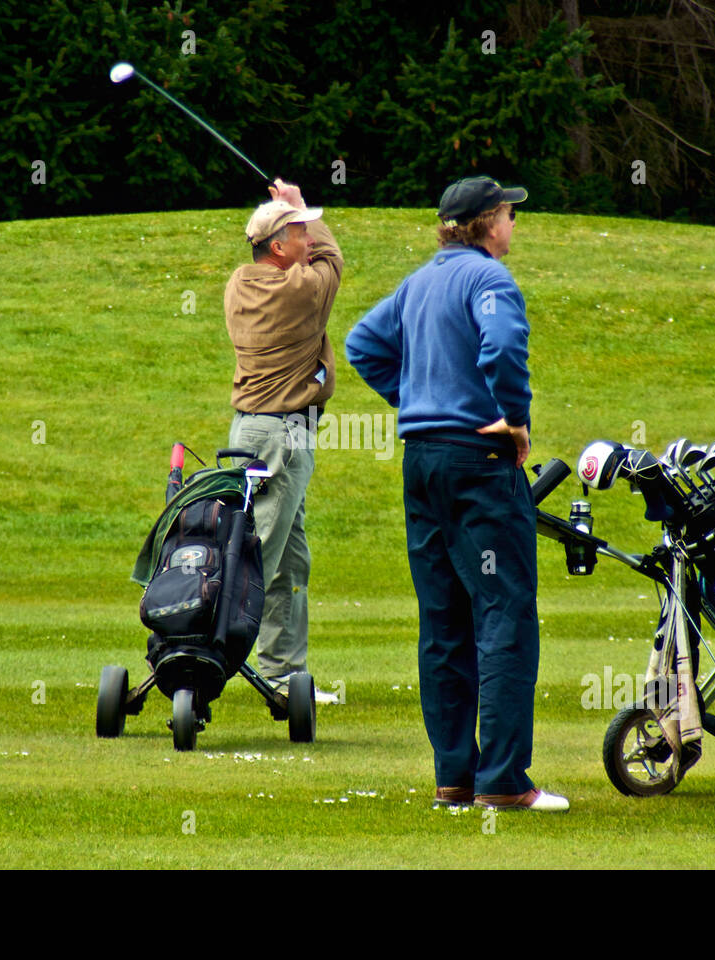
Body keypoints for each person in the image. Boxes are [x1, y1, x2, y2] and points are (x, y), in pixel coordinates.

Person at [345, 175, 566, 811]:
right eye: (509, 214)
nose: (514, 223)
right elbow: (504, 346)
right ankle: (504, 782)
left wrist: (417, 399)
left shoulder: (419, 282)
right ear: (487, 222)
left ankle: (455, 779)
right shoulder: (489, 278)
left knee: (443, 620)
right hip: (478, 464)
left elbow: (362, 345)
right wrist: (514, 417)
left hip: (423, 464)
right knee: (503, 613)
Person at [224, 179, 341, 702]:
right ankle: (206, 658)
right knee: (257, 560)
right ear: (277, 247)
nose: (308, 239)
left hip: (250, 430)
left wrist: (293, 213)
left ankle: (284, 677)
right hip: (282, 440)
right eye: (298, 233)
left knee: (289, 563)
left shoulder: (238, 283)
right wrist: (298, 204)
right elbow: (332, 259)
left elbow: (313, 255)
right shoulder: (301, 290)